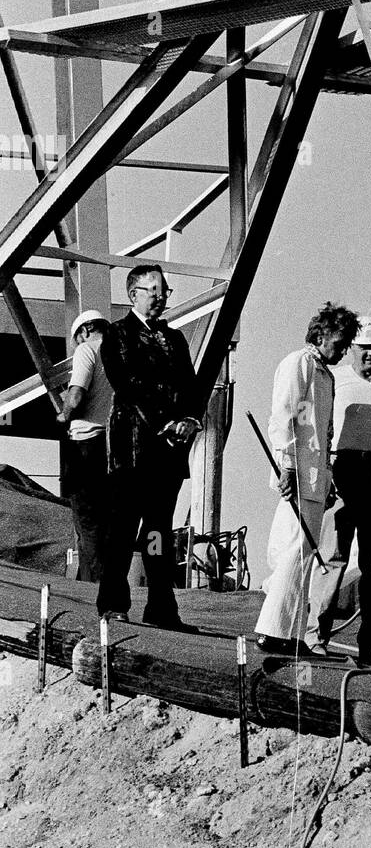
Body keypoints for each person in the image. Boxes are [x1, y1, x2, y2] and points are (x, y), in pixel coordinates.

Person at [304, 316, 371, 668]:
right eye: (364, 348)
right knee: (333, 556)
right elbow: (319, 428)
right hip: (344, 470)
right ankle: (314, 636)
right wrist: (326, 474)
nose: (370, 354)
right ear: (352, 347)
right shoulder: (333, 378)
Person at [98, 265, 202, 627]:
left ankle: (161, 605)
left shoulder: (175, 339)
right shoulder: (117, 334)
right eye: (153, 290)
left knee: (158, 529)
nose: (160, 296)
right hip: (133, 449)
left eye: (164, 290)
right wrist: (164, 423)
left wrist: (190, 419)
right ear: (134, 294)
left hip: (167, 454)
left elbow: (191, 386)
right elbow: (127, 385)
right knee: (124, 527)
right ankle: (113, 601)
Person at [254, 302, 360, 655]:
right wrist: (286, 466)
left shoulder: (324, 375)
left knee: (300, 553)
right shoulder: (299, 364)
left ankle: (290, 631)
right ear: (322, 334)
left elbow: (320, 432)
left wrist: (327, 481)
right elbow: (283, 417)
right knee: (295, 552)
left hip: (314, 478)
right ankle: (272, 630)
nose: (343, 350)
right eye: (340, 342)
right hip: (298, 473)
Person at [56, 310, 113, 583]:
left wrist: (63, 413)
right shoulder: (121, 355)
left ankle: (95, 585)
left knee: (86, 520)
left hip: (84, 444)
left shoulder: (86, 351)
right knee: (108, 519)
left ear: (86, 330)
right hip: (113, 446)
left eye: (77, 337)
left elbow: (76, 395)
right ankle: (113, 583)